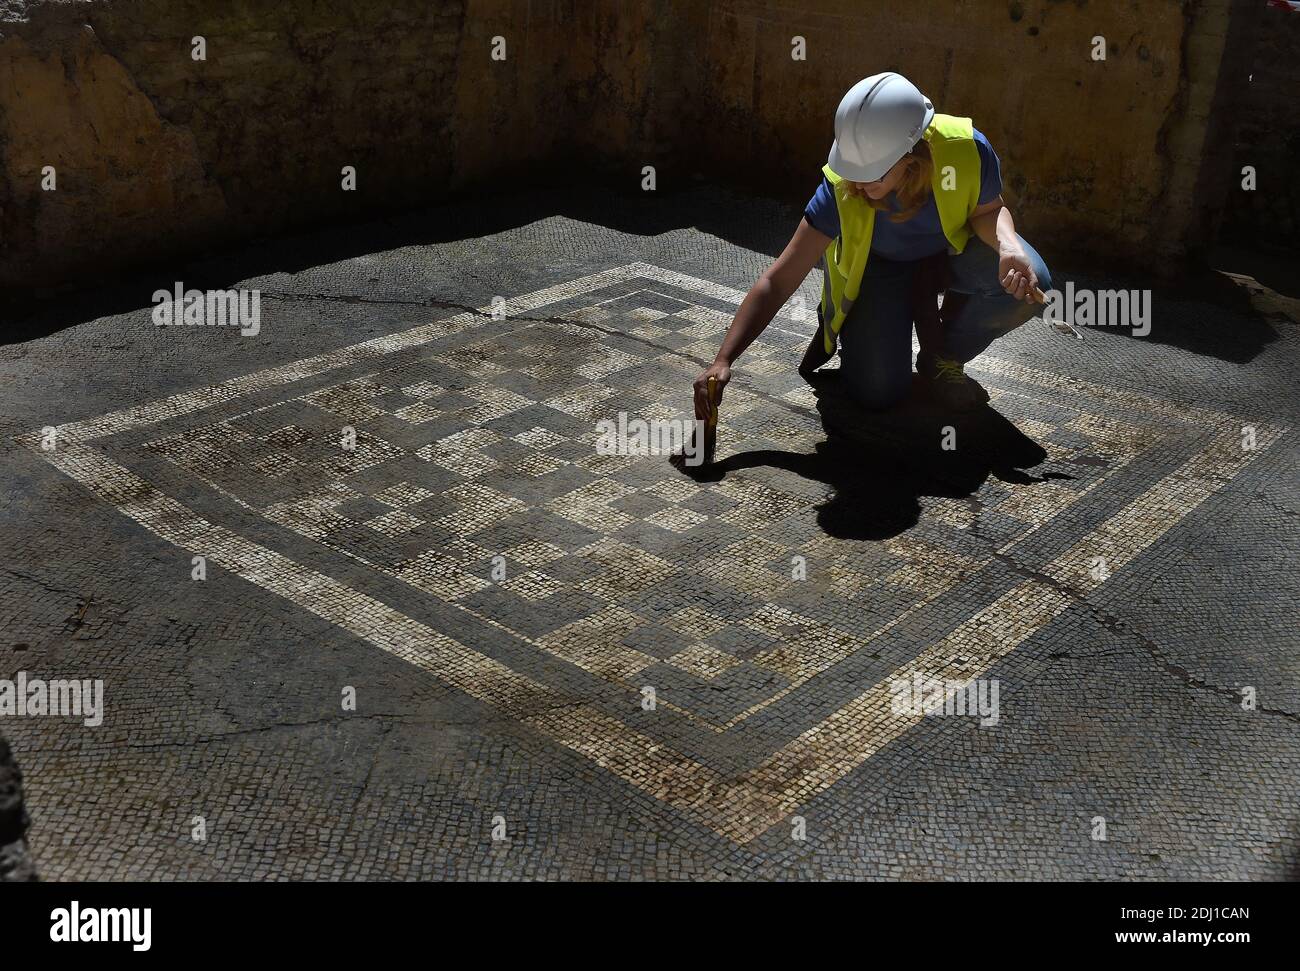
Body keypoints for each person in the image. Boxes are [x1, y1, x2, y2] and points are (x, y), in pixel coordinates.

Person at [693, 71, 1052, 418]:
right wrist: (723, 359)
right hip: (881, 271)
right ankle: (865, 327)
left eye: (872, 173)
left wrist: (1007, 245)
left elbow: (989, 210)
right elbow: (779, 279)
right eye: (852, 169)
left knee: (1031, 278)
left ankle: (942, 357)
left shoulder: (966, 148)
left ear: (911, 159)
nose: (857, 183)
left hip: (950, 255)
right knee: (878, 393)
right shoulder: (839, 188)